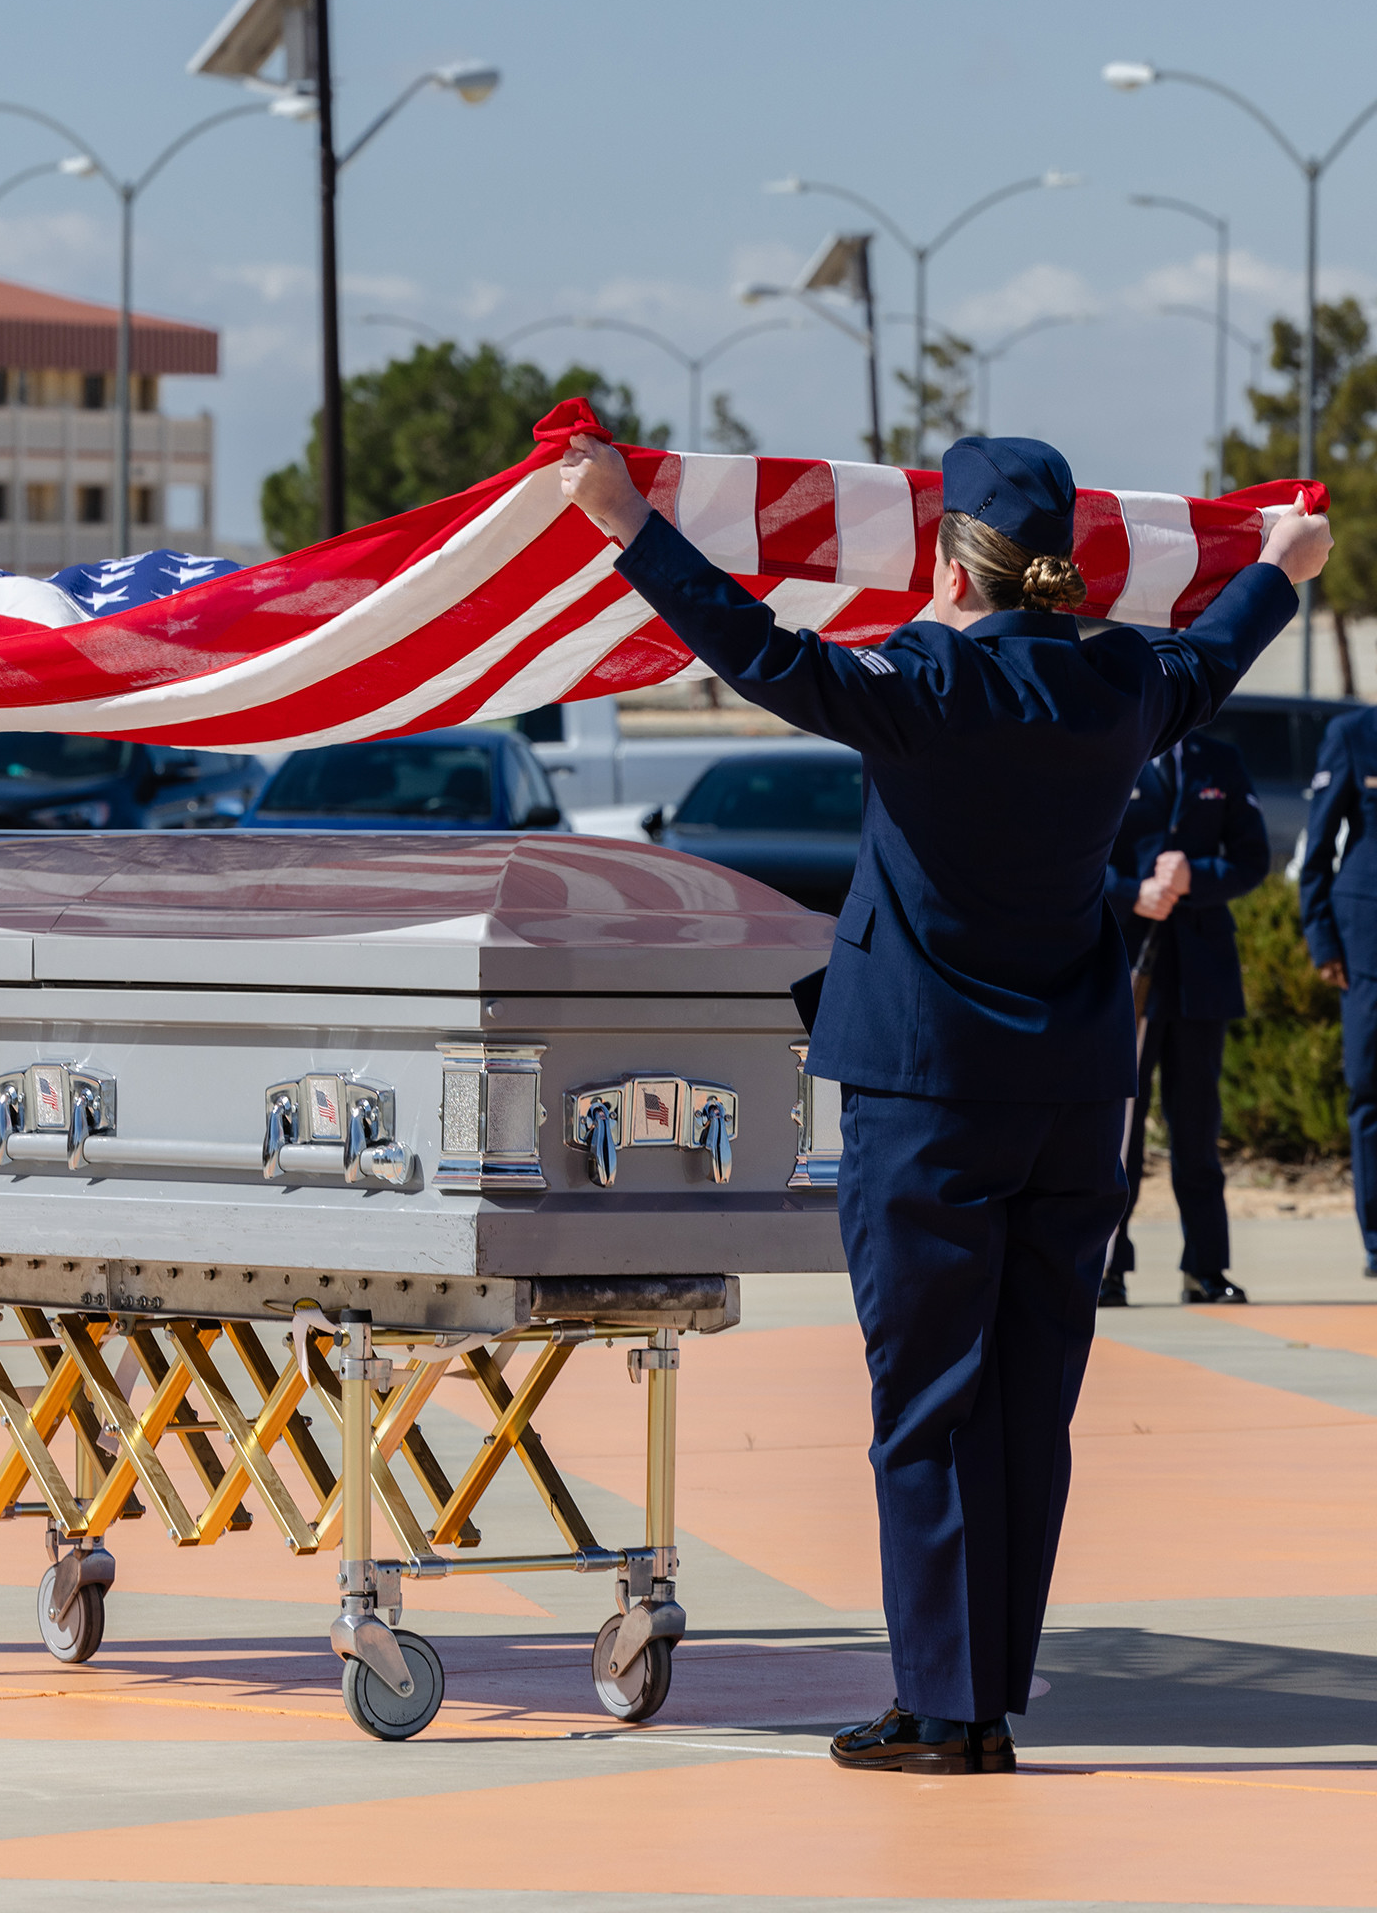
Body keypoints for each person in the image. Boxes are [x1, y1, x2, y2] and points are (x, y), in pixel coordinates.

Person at [558, 429, 1328, 1774]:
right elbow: (1210, 657)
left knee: (926, 1400)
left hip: (928, 1092)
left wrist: (630, 524)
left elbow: (762, 652)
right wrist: (1280, 568)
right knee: (1029, 1404)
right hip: (1074, 1097)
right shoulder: (1121, 682)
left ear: (950, 564)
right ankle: (984, 1696)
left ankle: (945, 1708)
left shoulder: (925, 680)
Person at [1100, 730, 1269, 1305]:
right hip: (1125, 969)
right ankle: (1107, 1265)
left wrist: (1196, 875)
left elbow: (1251, 858)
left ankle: (1205, 1266)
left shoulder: (1218, 759)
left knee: (1197, 1128)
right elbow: (1068, 854)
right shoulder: (1107, 746)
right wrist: (1131, 893)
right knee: (1118, 1129)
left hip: (1200, 972)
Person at [1298, 704, 1377, 1280]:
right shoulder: (1354, 735)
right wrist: (1322, 938)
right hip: (1367, 945)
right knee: (1370, 1090)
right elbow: (1319, 846)